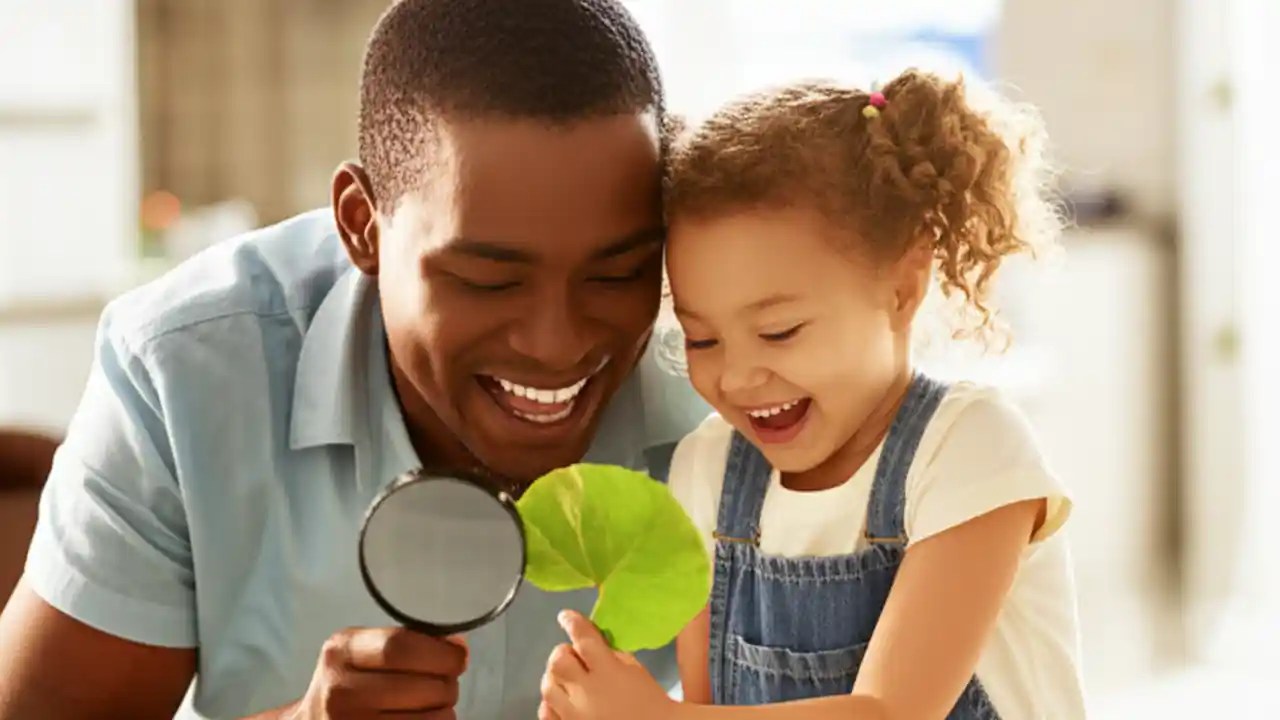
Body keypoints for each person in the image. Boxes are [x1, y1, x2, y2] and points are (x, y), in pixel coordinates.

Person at [0, 1, 708, 718]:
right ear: (361, 225)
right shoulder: (182, 374)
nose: (558, 344)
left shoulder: (737, 368)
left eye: (617, 274)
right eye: (488, 280)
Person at [539, 70, 1086, 719]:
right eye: (702, 339)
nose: (737, 377)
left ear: (902, 289)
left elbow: (891, 711)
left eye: (779, 331)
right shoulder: (706, 471)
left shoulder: (969, 449)